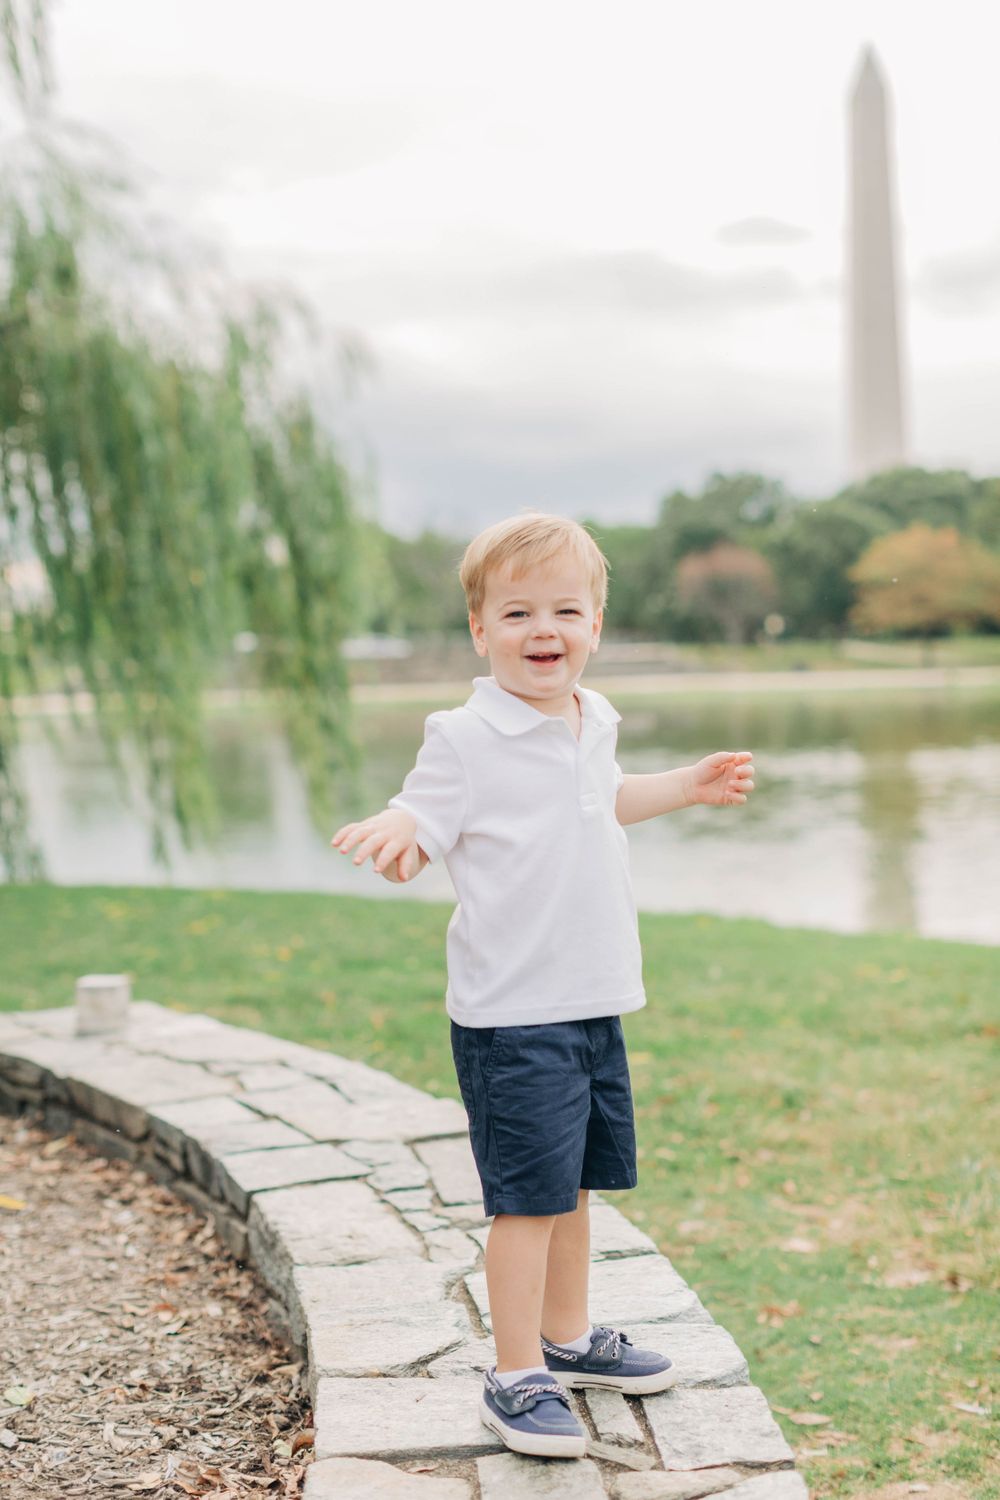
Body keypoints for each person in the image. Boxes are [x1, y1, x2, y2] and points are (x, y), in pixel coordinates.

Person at [331, 512, 755, 1460]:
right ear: (480, 631)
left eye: (566, 609)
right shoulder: (464, 734)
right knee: (525, 1200)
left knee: (573, 1189)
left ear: (596, 624)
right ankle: (515, 1374)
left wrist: (685, 785)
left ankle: (569, 1338)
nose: (543, 629)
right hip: (513, 1016)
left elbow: (600, 799)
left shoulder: (589, 716)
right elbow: (424, 809)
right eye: (517, 612)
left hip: (592, 1000)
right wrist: (402, 835)